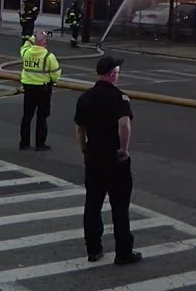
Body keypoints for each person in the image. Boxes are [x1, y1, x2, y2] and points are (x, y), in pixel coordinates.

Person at [74, 56, 142, 265]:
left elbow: (80, 129)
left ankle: (93, 249)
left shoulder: (85, 97)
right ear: (113, 74)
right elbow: (124, 125)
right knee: (120, 207)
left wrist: (84, 148)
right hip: (114, 158)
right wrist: (123, 149)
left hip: (93, 156)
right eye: (118, 72)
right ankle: (123, 252)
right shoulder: (120, 98)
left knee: (92, 204)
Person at [19, 30, 61, 151]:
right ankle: (40, 143)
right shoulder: (49, 56)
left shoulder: (26, 53)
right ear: (44, 43)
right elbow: (55, 74)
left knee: (27, 116)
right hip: (43, 89)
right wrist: (53, 81)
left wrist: (34, 36)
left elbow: (25, 46)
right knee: (42, 116)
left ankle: (24, 142)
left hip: (28, 88)